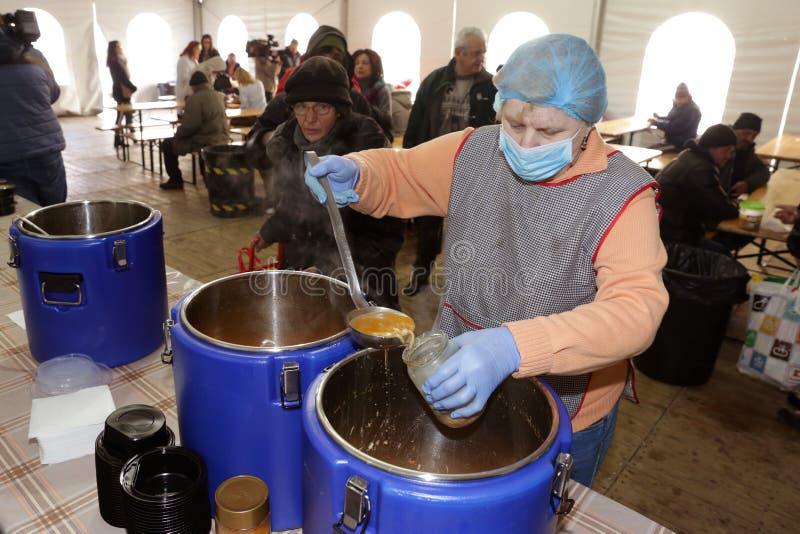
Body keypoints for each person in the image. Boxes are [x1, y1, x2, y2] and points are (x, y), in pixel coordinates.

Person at [303, 34, 668, 488]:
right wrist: (359, 172)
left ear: (589, 122)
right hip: (457, 370)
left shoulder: (621, 196)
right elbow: (402, 172)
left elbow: (636, 312)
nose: (529, 143)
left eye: (551, 132)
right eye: (515, 124)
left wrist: (512, 347)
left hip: (569, 401)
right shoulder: (475, 150)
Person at [253, 57, 404, 308]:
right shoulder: (289, 144)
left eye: (322, 107)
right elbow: (294, 204)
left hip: (361, 281)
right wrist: (270, 231)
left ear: (340, 109)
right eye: (302, 106)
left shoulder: (366, 148)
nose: (310, 118)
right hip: (304, 268)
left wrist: (331, 271)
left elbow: (386, 234)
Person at [401, 26, 497, 296]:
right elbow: (416, 122)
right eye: (476, 53)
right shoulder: (434, 82)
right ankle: (421, 272)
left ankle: (463, 284)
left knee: (468, 225)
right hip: (434, 164)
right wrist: (410, 158)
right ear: (458, 53)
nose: (480, 59)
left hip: (473, 167)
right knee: (428, 224)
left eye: (483, 53)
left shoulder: (490, 86)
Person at [0, 40, 67, 206]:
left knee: (26, 212)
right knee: (55, 207)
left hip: (8, 155)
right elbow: (53, 94)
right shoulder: (35, 70)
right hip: (45, 149)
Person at [656, 124, 740, 253]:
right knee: (721, 255)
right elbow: (722, 209)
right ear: (712, 147)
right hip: (670, 236)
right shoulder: (700, 169)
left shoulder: (689, 155)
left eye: (731, 151)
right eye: (726, 150)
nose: (728, 156)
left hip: (661, 226)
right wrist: (738, 205)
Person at [159, 72, 229, 190]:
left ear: (193, 86)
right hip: (222, 137)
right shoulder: (218, 95)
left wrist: (178, 135)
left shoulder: (195, 99)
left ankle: (175, 180)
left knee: (167, 144)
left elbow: (191, 126)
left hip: (204, 140)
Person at [723, 112, 770, 196]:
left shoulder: (746, 149)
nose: (750, 139)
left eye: (754, 136)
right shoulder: (719, 145)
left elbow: (764, 171)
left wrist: (748, 184)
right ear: (734, 130)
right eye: (746, 133)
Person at [647, 83, 702, 151]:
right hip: (674, 140)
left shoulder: (692, 110)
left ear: (687, 96)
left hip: (681, 143)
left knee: (651, 150)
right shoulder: (681, 105)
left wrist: (656, 123)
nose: (677, 99)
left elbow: (675, 127)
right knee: (650, 149)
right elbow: (670, 118)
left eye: (680, 97)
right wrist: (659, 118)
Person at [353, 48, 393, 139]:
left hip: (377, 135)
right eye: (357, 63)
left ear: (374, 66)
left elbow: (387, 120)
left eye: (365, 63)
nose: (360, 66)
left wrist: (366, 107)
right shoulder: (350, 89)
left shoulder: (382, 90)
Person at [106, 40, 137, 148]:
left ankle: (130, 136)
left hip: (123, 90)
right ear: (114, 49)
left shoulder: (118, 60)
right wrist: (132, 87)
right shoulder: (114, 62)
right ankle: (119, 138)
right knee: (121, 115)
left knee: (127, 114)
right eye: (118, 46)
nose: (121, 48)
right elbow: (121, 78)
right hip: (120, 91)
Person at [176, 41, 200, 105]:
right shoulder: (183, 60)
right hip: (184, 91)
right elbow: (183, 77)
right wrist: (196, 79)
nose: (199, 51)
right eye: (197, 49)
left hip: (193, 91)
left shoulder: (195, 61)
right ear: (192, 49)